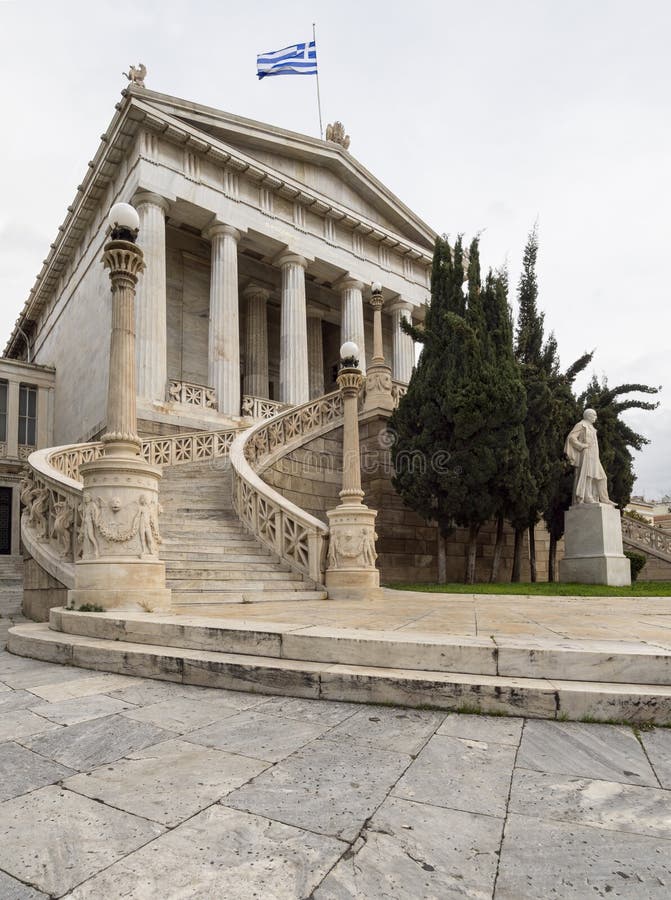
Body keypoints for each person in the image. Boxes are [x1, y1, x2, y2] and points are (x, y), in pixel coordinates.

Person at [564, 408, 615, 505]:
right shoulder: (581, 425)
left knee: (602, 477)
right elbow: (571, 437)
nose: (596, 417)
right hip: (586, 453)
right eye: (594, 415)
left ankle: (604, 499)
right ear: (588, 416)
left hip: (595, 455)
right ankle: (587, 497)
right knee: (588, 475)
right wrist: (581, 445)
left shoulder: (591, 427)